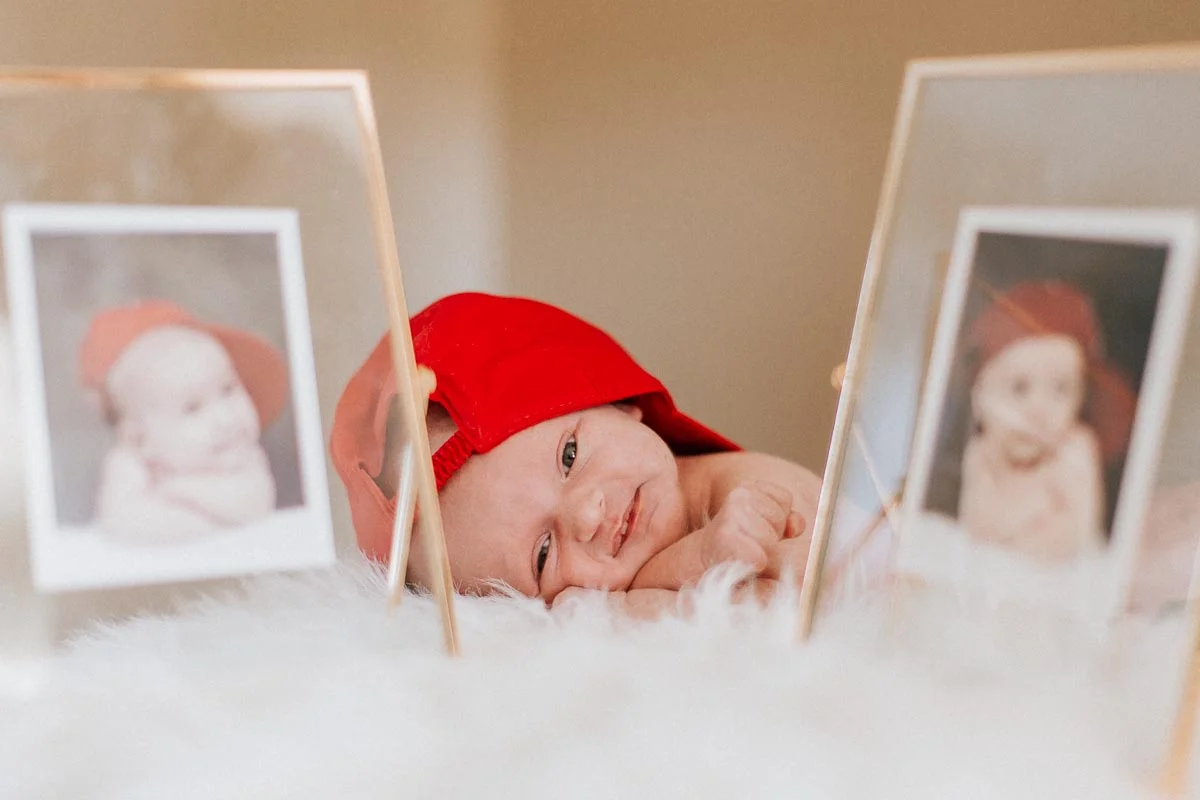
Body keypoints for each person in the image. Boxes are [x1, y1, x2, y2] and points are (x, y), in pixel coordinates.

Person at [331, 292, 822, 614]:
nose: (588, 517)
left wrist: (662, 584)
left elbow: (803, 596)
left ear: (619, 400)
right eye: (544, 554)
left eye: (570, 457)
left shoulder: (750, 495)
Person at [81, 300, 288, 543]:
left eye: (228, 389)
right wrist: (208, 519)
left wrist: (184, 490)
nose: (226, 418)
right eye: (192, 408)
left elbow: (254, 505)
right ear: (139, 439)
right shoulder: (130, 462)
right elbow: (124, 526)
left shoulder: (240, 454)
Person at [957, 280, 1135, 561]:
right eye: (1019, 388)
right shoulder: (981, 453)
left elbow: (1080, 538)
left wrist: (1025, 533)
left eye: (1061, 389)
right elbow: (977, 528)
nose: (1039, 411)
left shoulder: (1074, 452)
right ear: (980, 401)